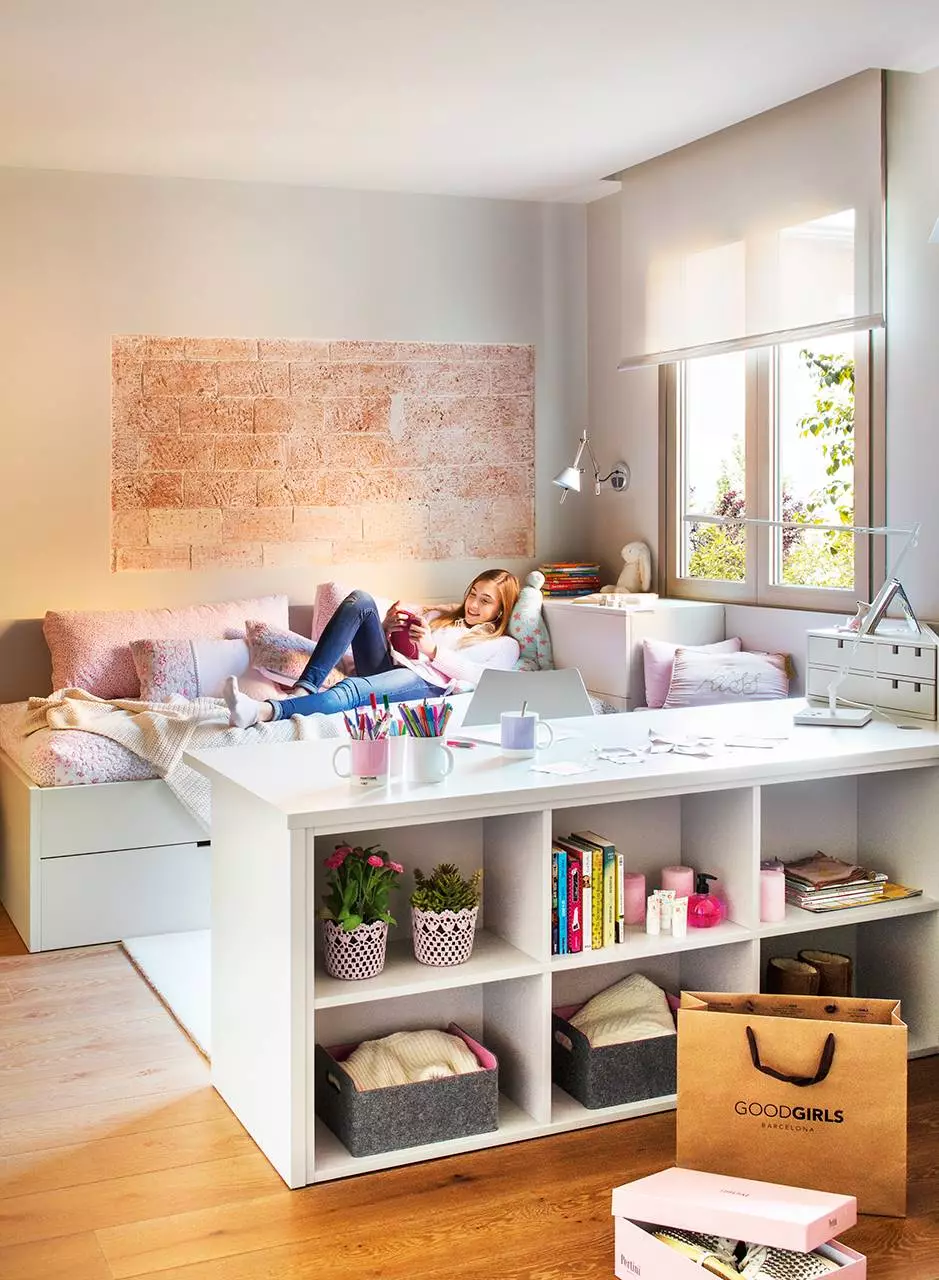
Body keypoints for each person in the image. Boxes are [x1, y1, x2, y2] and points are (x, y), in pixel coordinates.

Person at [224, 569, 521, 727]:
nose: (473, 604)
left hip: (428, 683)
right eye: (472, 594)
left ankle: (263, 711)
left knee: (351, 690)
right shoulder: (442, 620)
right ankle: (305, 688)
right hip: (398, 667)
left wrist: (433, 652)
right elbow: (407, 652)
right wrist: (387, 631)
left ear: (500, 610)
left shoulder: (504, 645)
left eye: (485, 600)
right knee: (361, 600)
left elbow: (483, 678)